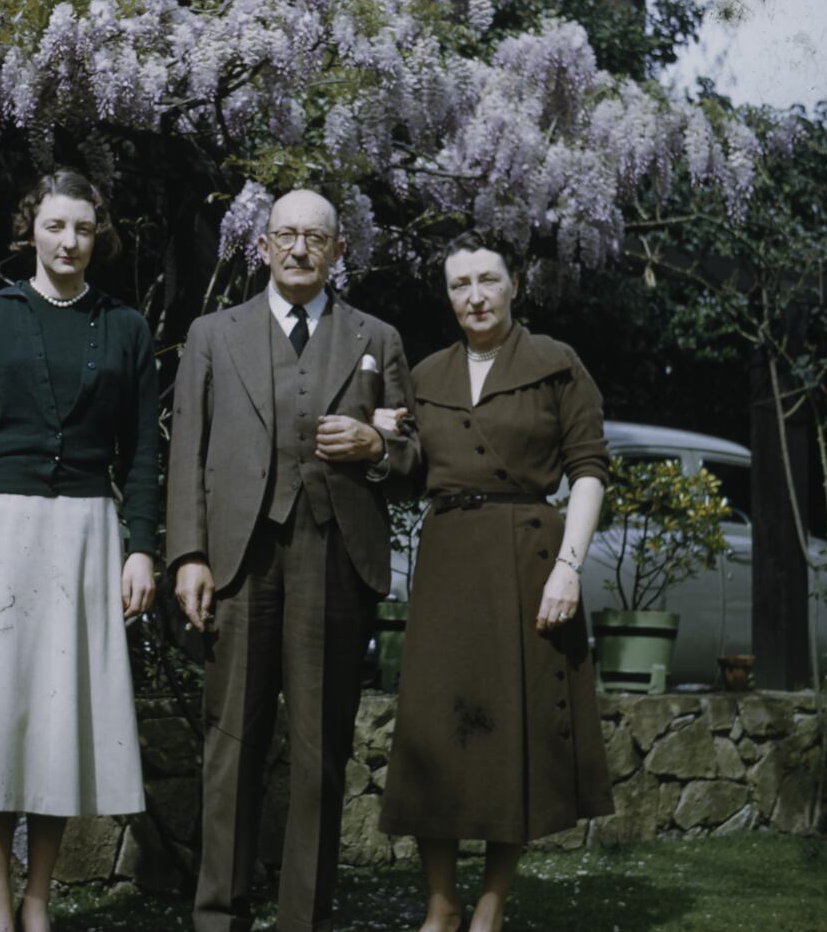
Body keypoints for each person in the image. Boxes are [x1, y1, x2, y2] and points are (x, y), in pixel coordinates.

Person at [167, 188, 421, 932]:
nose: (300, 248)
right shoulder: (213, 335)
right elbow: (187, 453)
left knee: (319, 751)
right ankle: (219, 916)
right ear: (263, 245)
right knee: (231, 744)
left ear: (340, 250)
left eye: (316, 237)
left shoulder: (379, 336)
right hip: (239, 560)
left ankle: (303, 920)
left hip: (335, 558)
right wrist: (188, 553)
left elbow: (411, 456)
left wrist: (378, 446)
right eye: (286, 235)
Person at [0, 169, 160, 932]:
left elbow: (143, 453)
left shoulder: (125, 326)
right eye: (56, 226)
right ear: (32, 231)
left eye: (83, 229)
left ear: (99, 238)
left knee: (57, 719)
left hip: (84, 532)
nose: (69, 242)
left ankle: (37, 899)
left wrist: (140, 547)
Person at [377, 241, 615, 932]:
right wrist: (382, 437)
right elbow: (408, 472)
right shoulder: (425, 374)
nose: (475, 295)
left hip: (530, 561)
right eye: (459, 284)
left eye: (488, 280)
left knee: (514, 733)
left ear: (514, 286)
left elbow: (589, 469)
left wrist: (568, 567)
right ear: (447, 295)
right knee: (434, 729)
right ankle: (441, 904)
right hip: (448, 560)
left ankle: (488, 909)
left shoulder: (556, 363)